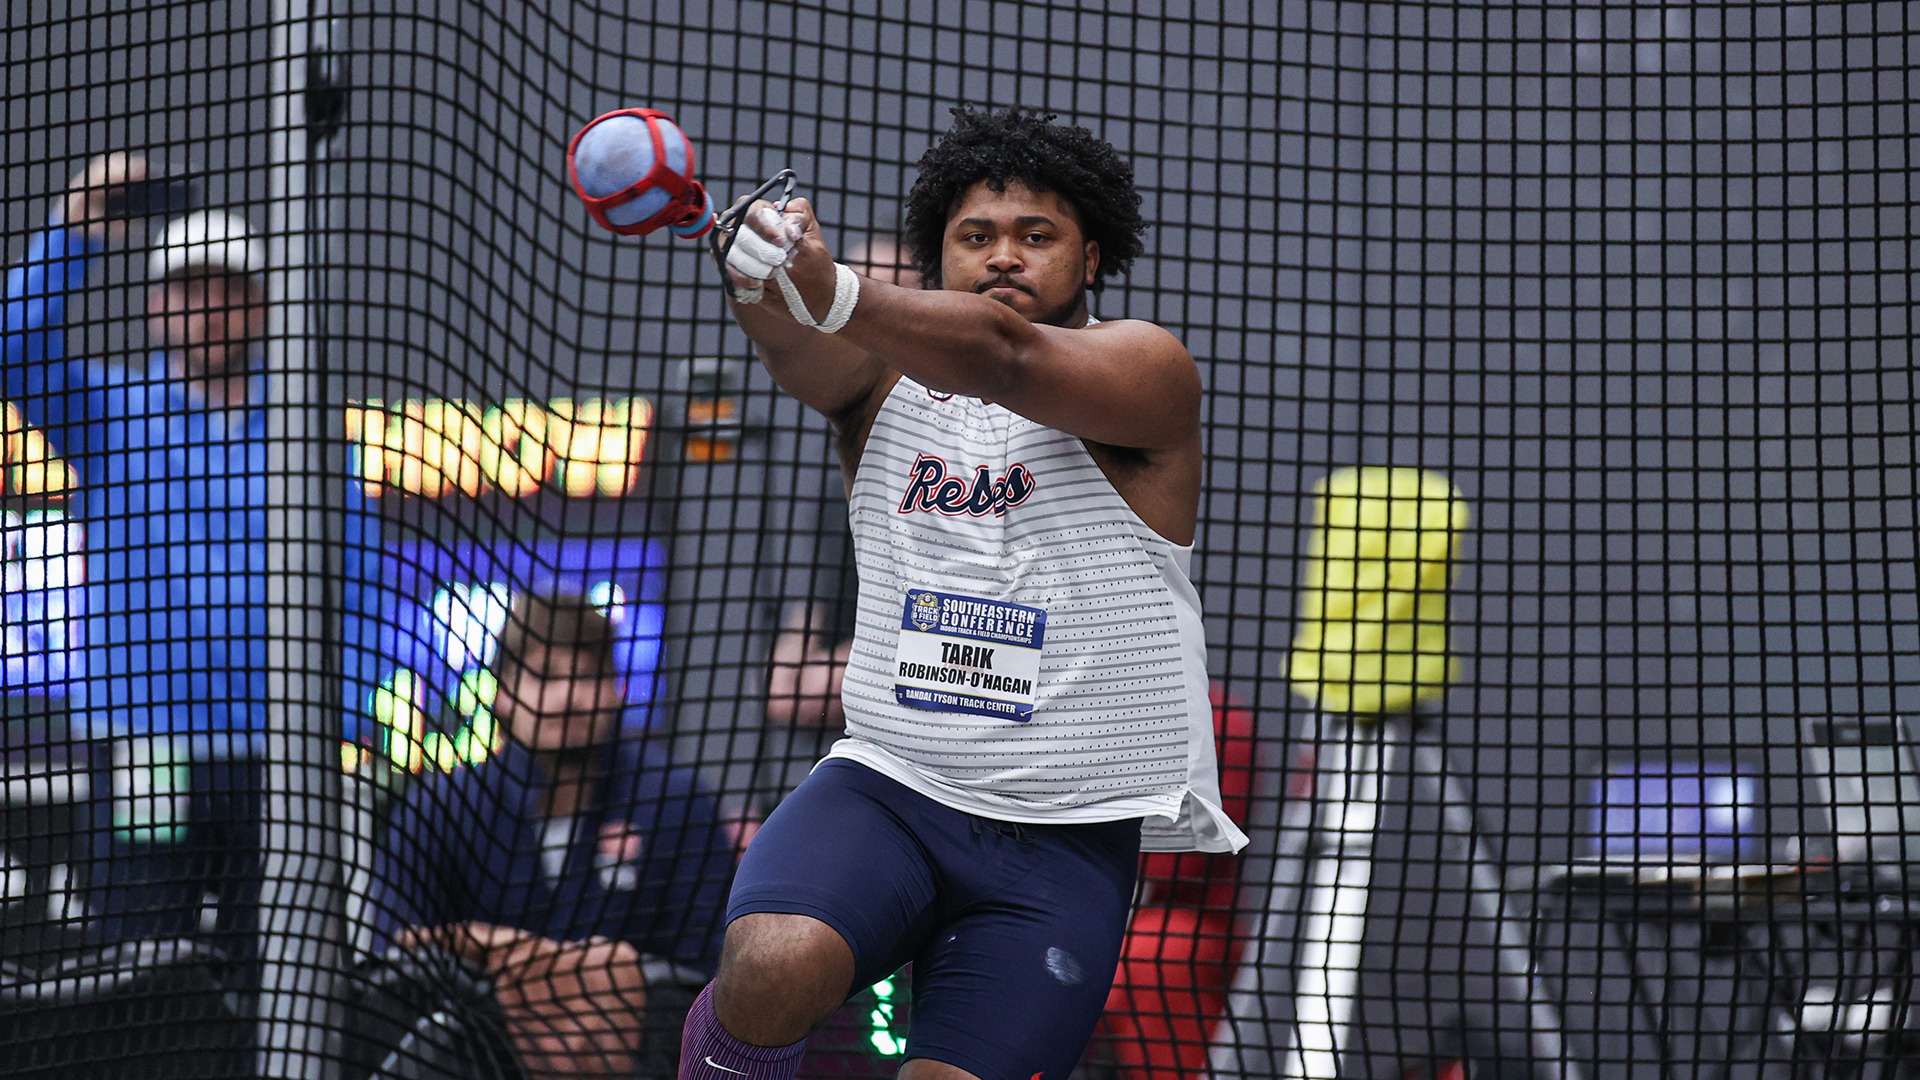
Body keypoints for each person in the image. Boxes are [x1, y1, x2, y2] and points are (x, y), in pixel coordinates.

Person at [681, 106, 1248, 1080]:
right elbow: (787, 338)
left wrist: (836, 288)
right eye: (974, 236)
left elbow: (1003, 353)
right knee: (774, 962)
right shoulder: (878, 377)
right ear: (934, 255)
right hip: (890, 788)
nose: (1003, 257)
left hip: (1065, 836)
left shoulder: (1147, 368)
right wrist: (759, 266)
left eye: (1037, 236)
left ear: (1092, 255)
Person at [368, 589, 737, 1078]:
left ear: (615, 688)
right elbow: (396, 958)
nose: (567, 696)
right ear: (502, 692)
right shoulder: (441, 806)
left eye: (587, 675)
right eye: (543, 676)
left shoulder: (677, 802)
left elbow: (711, 974)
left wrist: (496, 949)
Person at [1097, 685, 1258, 1080]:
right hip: (1064, 902)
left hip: (1180, 916)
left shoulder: (1217, 715)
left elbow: (1195, 847)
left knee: (1154, 957)